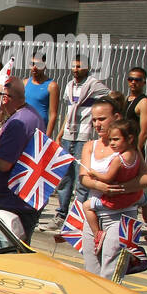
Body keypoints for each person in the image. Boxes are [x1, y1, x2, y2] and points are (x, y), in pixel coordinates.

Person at [0, 78, 44, 242]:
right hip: (21, 200)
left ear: (5, 98)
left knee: (7, 251)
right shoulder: (30, 114)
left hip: (15, 205)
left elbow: (4, 164)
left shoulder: (18, 122)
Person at [52, 56, 109, 221]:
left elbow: (111, 98)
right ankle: (61, 213)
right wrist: (60, 133)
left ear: (87, 67)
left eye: (79, 66)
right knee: (65, 176)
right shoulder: (69, 86)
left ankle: (77, 216)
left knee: (81, 178)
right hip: (69, 135)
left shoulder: (94, 85)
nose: (76, 69)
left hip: (84, 136)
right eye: (74, 66)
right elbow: (69, 112)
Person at [82, 117, 142, 248]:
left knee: (86, 206)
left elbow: (108, 178)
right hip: (132, 197)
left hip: (112, 202)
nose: (112, 143)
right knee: (145, 202)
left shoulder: (118, 159)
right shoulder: (136, 154)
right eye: (110, 140)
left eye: (116, 139)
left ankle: (97, 233)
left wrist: (94, 174)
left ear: (130, 139)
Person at [25, 55, 58, 137]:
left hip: (39, 131)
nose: (34, 67)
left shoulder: (52, 86)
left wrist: (47, 138)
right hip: (24, 128)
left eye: (38, 64)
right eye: (32, 64)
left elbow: (53, 114)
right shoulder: (25, 83)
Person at [126, 66, 147, 153]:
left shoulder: (144, 102)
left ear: (143, 82)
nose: (133, 82)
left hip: (133, 149)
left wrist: (135, 151)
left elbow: (144, 132)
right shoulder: (126, 98)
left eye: (137, 80)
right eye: (130, 79)